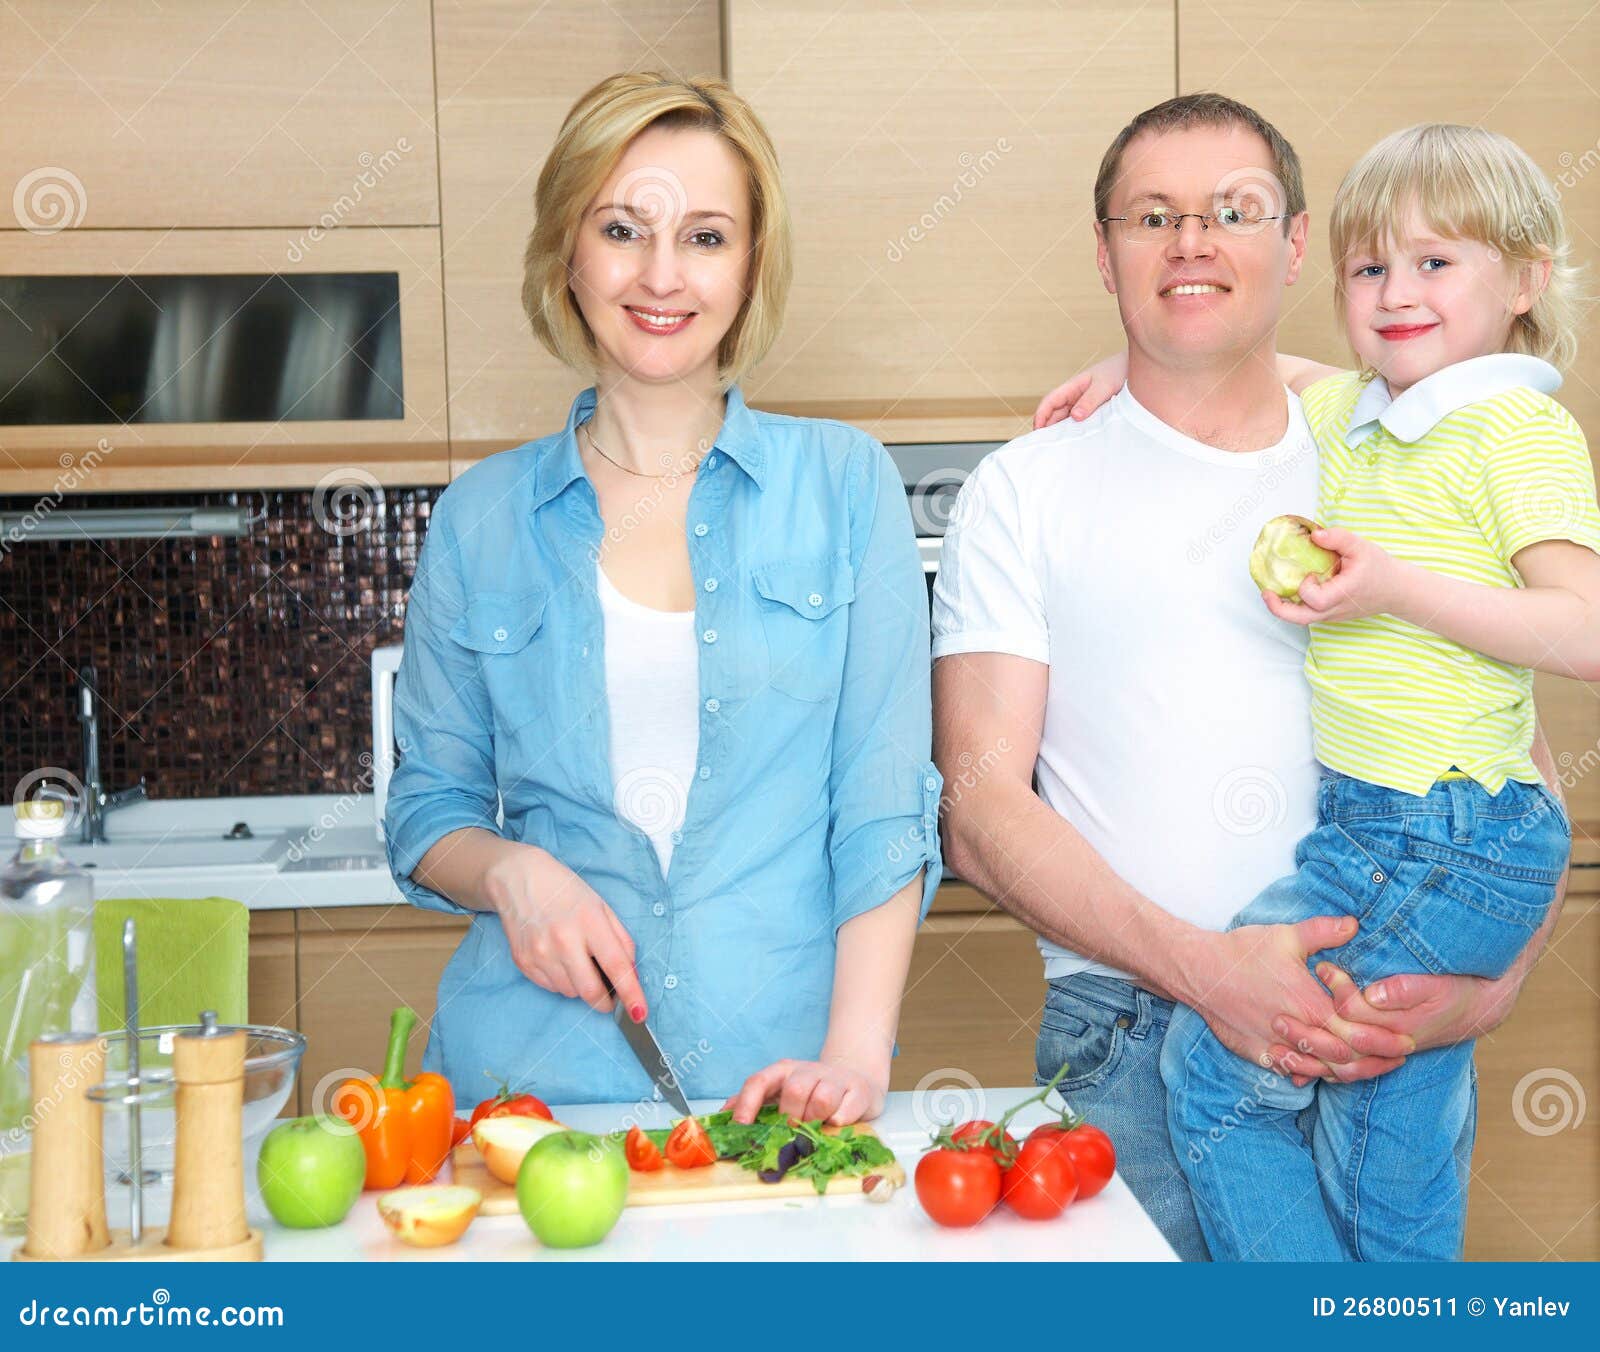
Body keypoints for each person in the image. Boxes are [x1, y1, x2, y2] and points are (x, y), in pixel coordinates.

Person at [936, 94, 1569, 1262]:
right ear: (1104, 252)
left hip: (1388, 1019)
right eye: (1152, 217)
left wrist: (1485, 991)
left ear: (1292, 248)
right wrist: (1211, 976)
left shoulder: (1389, 450)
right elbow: (978, 812)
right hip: (1131, 1033)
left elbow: (1509, 761)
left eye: (1233, 211)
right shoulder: (1025, 486)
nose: (1191, 241)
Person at [383, 72, 940, 1127]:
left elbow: (880, 805)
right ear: (567, 252)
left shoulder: (845, 484)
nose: (661, 275)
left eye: (706, 236)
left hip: (781, 1091)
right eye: (623, 228)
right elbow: (427, 806)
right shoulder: (480, 516)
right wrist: (510, 870)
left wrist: (855, 1055)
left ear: (752, 263)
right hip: (524, 1096)